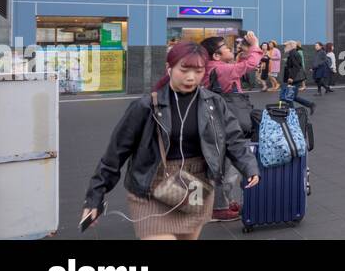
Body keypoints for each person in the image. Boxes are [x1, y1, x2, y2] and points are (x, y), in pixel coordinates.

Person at [80, 42, 260, 239]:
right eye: (184, 70)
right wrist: (94, 197)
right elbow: (115, 154)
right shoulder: (145, 106)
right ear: (169, 68)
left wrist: (249, 167)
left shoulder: (214, 103)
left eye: (198, 71)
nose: (191, 77)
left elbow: (234, 139)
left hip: (195, 185)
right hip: (150, 187)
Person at [200, 32, 263, 221]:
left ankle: (222, 202)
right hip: (228, 122)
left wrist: (244, 52)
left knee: (218, 164)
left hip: (213, 122)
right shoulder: (221, 70)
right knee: (228, 167)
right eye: (225, 47)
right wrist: (255, 45)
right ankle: (219, 208)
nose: (229, 48)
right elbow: (250, 65)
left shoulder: (210, 68)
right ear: (216, 56)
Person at [281, 40, 314, 112]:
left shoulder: (293, 53)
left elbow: (296, 67)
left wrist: (291, 77)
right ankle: (310, 105)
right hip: (295, 78)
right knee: (292, 97)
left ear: (291, 46)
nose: (285, 47)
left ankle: (292, 113)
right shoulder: (292, 53)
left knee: (289, 97)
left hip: (295, 78)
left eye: (286, 45)